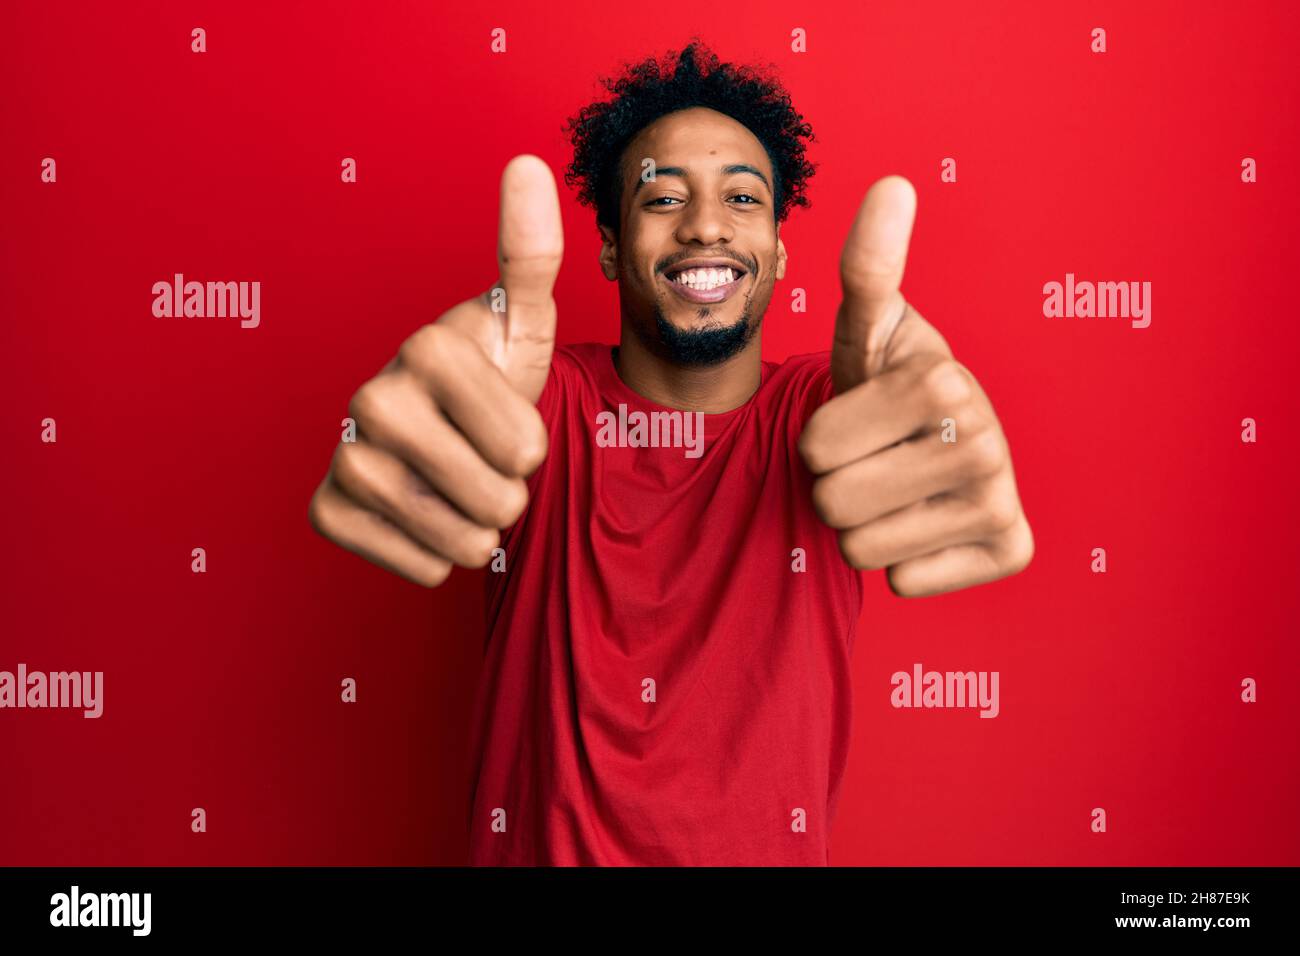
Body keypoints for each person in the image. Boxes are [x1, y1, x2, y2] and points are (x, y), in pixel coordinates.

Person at [308, 41, 1033, 865]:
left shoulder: (825, 419)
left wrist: (946, 422)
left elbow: (905, 405)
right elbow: (471, 399)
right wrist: (412, 419)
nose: (705, 225)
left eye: (742, 198)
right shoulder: (543, 404)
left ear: (780, 251)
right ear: (612, 248)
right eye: (662, 198)